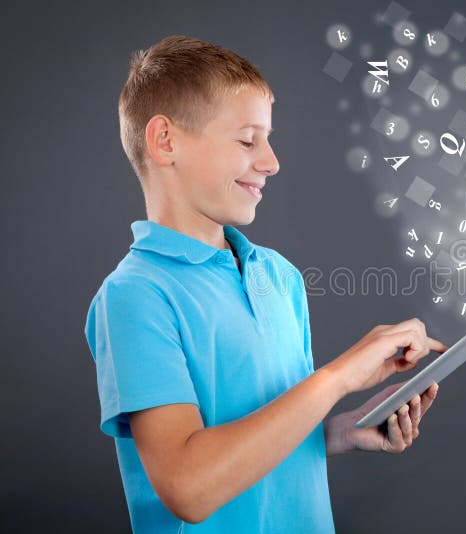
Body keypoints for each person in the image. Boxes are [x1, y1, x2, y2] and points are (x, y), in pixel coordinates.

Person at [84, 35, 447, 533]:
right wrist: (338, 377)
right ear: (165, 141)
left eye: (269, 138)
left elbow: (263, 430)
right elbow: (190, 487)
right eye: (247, 139)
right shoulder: (135, 296)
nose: (271, 161)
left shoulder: (279, 276)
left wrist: (340, 432)